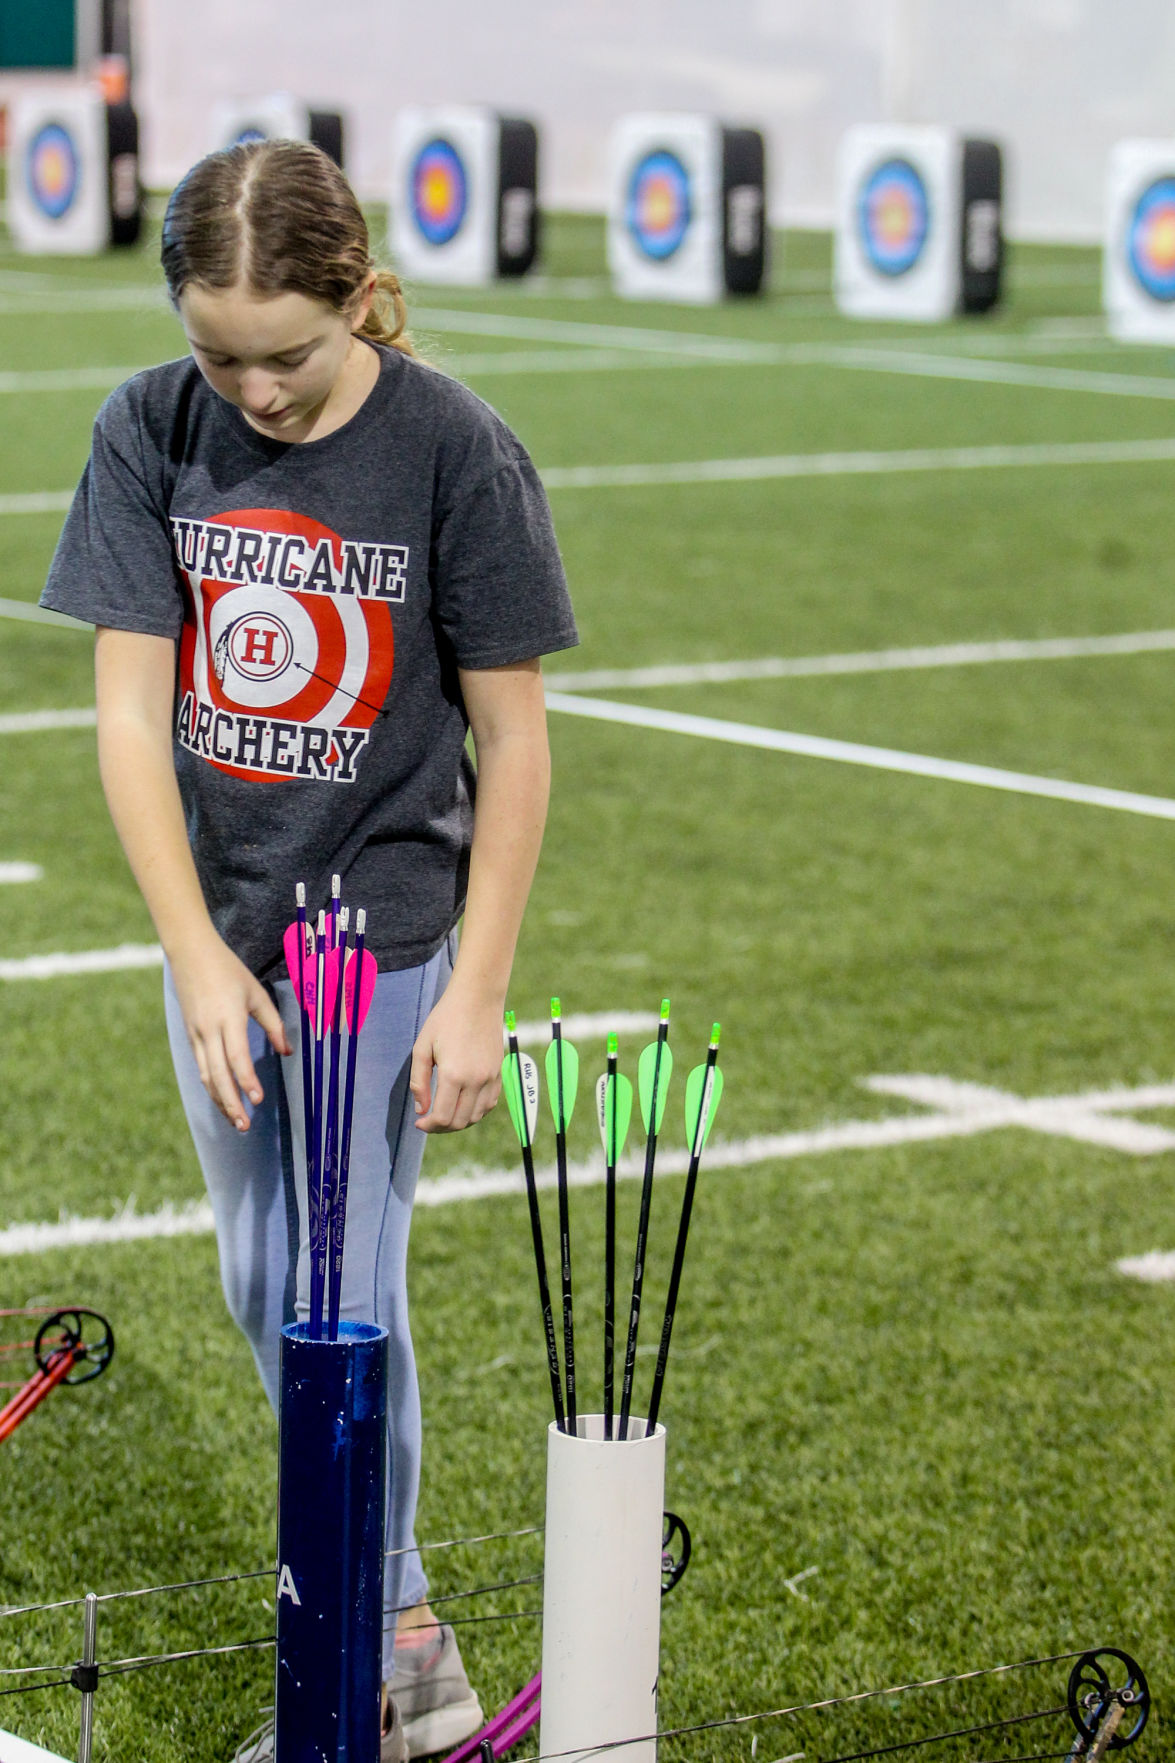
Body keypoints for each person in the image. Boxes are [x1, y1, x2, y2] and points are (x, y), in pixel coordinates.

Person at [40, 138, 577, 1762]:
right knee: (261, 1277)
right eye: (223, 353)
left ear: (357, 298)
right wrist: (196, 950)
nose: (255, 391)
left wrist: (477, 990)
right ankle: (401, 1639)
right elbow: (132, 714)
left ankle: (380, 1657)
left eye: (288, 353)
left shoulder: (456, 452)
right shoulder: (150, 425)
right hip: (226, 937)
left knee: (339, 1296)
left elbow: (517, 742)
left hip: (385, 940)